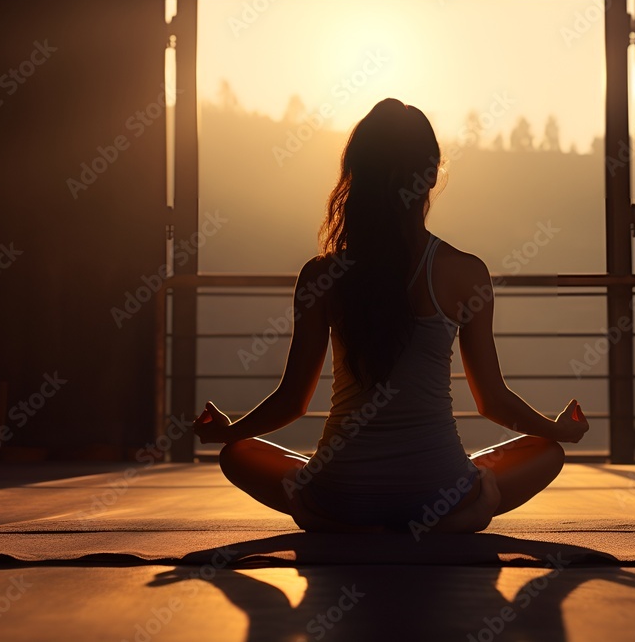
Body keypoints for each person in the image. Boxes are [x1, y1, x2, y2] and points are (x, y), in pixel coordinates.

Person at [194, 98, 589, 534]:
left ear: (355, 177)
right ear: (432, 174)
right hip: (440, 498)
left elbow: (292, 402)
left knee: (237, 453)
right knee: (547, 451)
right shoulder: (466, 272)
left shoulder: (321, 274)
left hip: (340, 497)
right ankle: (462, 509)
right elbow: (492, 401)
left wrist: (228, 432)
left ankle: (333, 506)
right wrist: (558, 430)